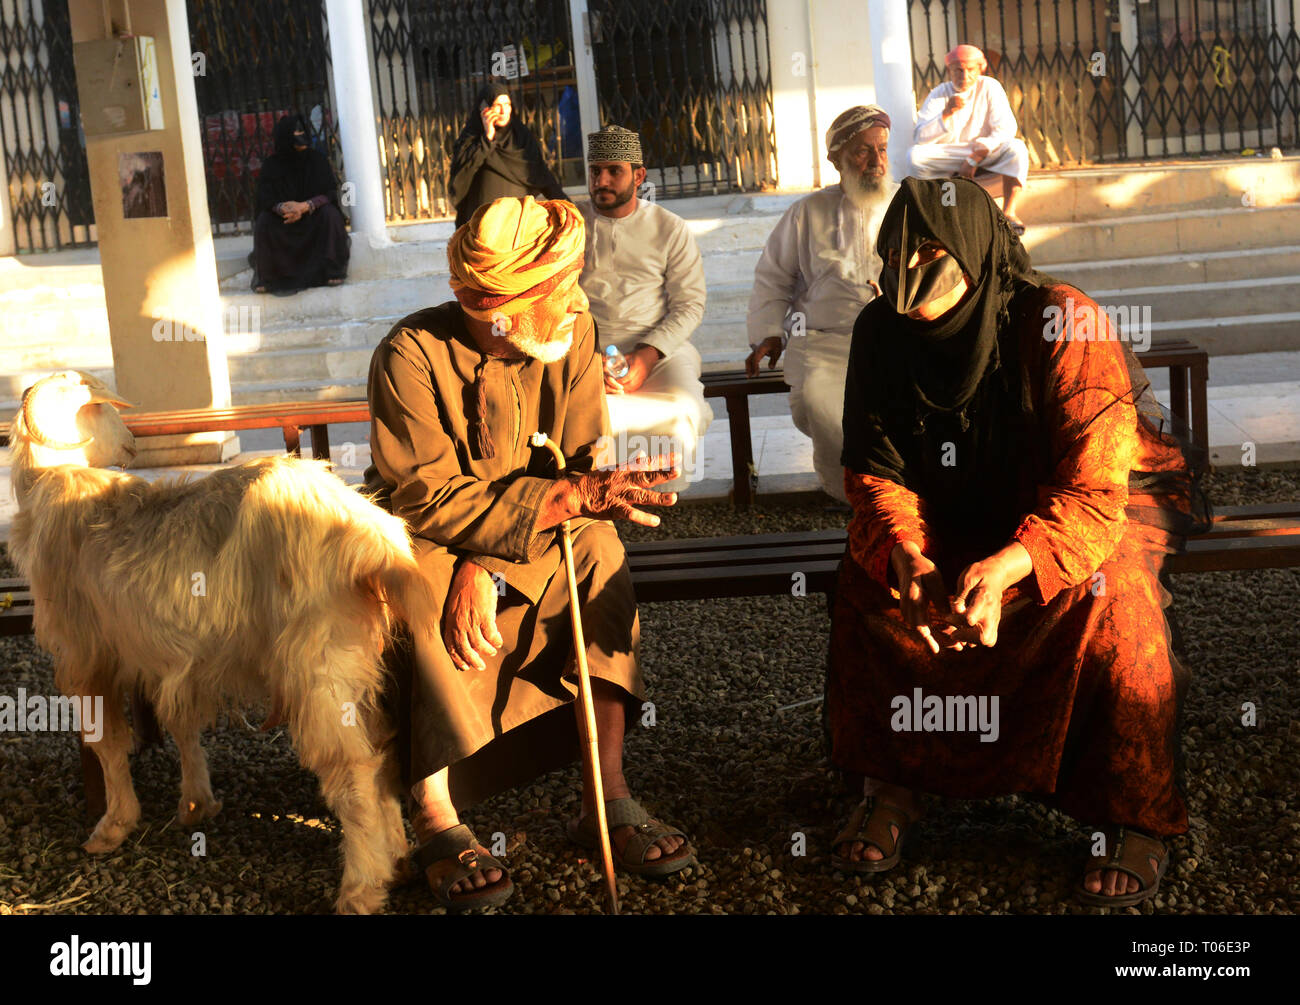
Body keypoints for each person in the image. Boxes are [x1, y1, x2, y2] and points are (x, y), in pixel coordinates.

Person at [826, 177, 1207, 907]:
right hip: (950, 511)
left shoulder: (1061, 322)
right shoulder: (881, 330)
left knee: (1114, 600)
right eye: (896, 257)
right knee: (871, 590)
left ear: (975, 254)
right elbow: (876, 473)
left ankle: (1131, 811)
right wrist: (906, 554)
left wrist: (1011, 565)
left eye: (930, 256)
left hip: (1078, 505)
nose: (909, 274)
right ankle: (893, 785)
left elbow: (1094, 490)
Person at [364, 195, 696, 911]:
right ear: (494, 305)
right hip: (429, 534)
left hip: (542, 524)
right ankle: (435, 816)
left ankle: (606, 796)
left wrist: (492, 562)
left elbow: (577, 464)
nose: (573, 301)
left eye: (571, 282)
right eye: (553, 290)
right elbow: (423, 497)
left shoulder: (573, 332)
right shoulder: (408, 354)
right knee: (417, 591)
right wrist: (472, 559)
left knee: (600, 549)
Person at [745, 105, 897, 502]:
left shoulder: (908, 205)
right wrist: (769, 334)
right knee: (822, 404)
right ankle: (853, 497)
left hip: (899, 338)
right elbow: (773, 278)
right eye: (863, 151)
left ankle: (900, 498)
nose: (876, 161)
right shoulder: (807, 212)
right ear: (836, 160)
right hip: (825, 341)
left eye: (882, 149)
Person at [575, 125, 712, 491]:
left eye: (614, 171)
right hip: (584, 355)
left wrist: (647, 356)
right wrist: (584, 359)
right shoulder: (569, 226)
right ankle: (593, 499)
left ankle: (659, 495)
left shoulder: (669, 228)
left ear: (638, 176)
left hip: (660, 351)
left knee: (682, 409)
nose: (601, 181)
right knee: (581, 421)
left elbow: (689, 304)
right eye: (595, 171)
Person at [908, 44, 1029, 233]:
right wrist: (946, 113)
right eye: (958, 70)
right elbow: (920, 137)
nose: (964, 76)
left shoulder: (990, 87)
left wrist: (975, 157)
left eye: (970, 70)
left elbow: (1006, 128)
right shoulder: (939, 93)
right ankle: (934, 212)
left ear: (981, 68)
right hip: (952, 154)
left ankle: (1009, 213)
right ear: (949, 71)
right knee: (915, 156)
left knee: (1017, 149)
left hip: (984, 151)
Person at [251, 114, 350, 293]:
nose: (300, 135)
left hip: (312, 218)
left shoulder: (317, 160)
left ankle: (332, 271)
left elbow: (329, 192)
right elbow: (264, 197)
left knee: (331, 215)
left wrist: (305, 206)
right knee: (264, 221)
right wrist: (282, 208)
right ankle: (268, 277)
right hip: (284, 220)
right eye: (295, 131)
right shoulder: (272, 165)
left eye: (302, 130)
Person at [448, 82, 568, 228]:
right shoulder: (471, 138)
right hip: (486, 224)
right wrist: (487, 138)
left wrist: (567, 207)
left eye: (507, 104)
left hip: (518, 223)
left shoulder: (521, 137)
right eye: (497, 105)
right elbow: (463, 172)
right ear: (484, 108)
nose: (503, 111)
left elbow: (541, 174)